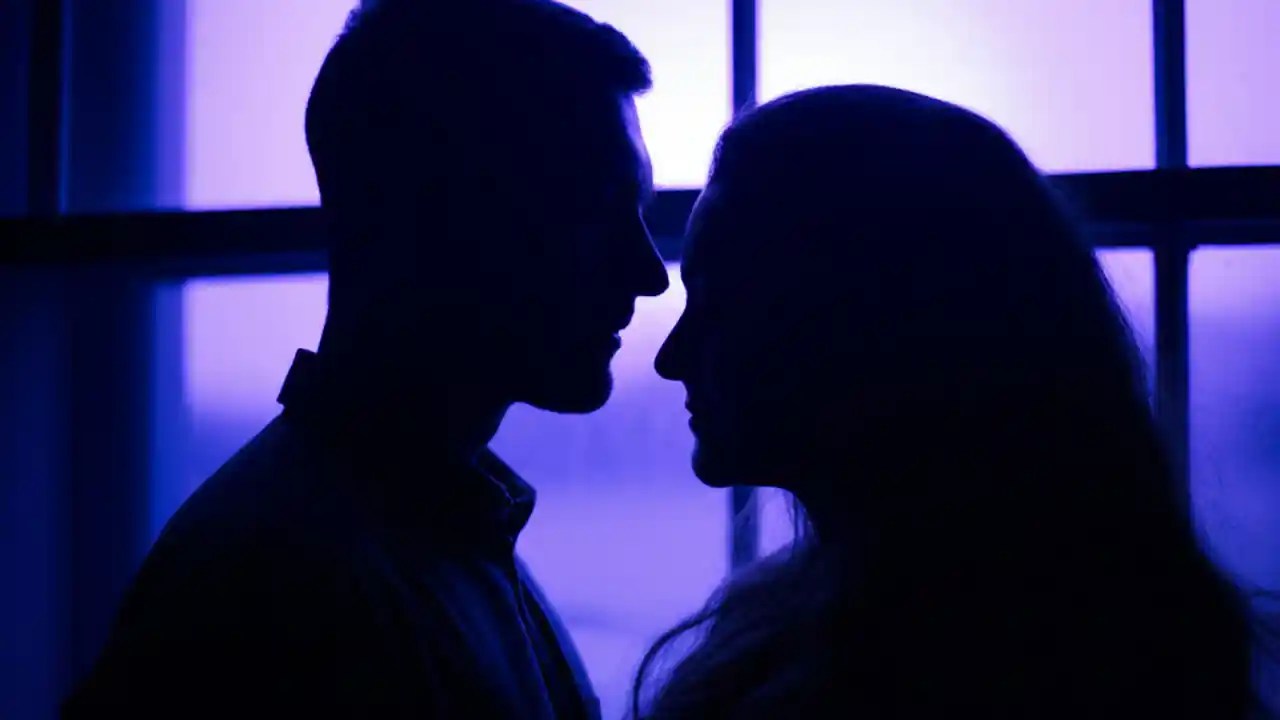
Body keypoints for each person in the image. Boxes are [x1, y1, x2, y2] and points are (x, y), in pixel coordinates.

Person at [64, 0, 667, 717]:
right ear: (431, 213)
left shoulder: (390, 541)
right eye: (595, 208)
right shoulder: (279, 590)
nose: (649, 271)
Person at [634, 85, 1258, 719]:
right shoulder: (1105, 642)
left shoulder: (838, 662)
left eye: (722, 303)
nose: (672, 357)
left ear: (870, 323)